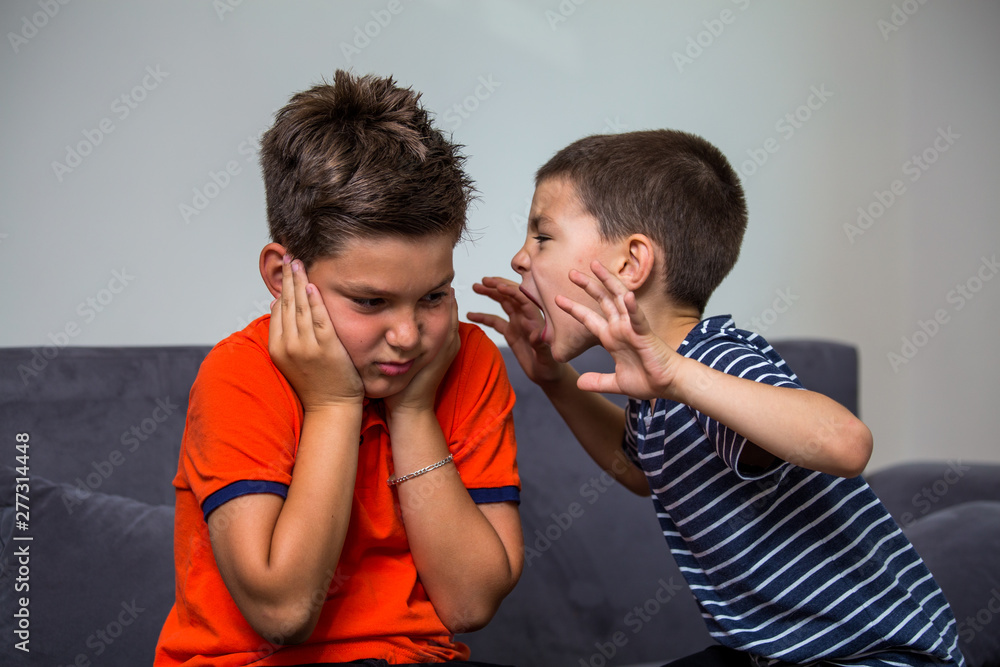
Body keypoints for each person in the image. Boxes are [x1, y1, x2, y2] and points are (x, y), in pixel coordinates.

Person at [469, 129, 965, 667]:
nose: (520, 258)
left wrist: (679, 377)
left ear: (630, 265)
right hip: (769, 652)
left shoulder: (714, 360)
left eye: (542, 237)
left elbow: (845, 444)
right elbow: (642, 471)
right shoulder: (659, 384)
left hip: (874, 656)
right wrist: (554, 380)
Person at [154, 71, 523, 667]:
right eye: (371, 302)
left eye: (433, 296)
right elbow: (283, 613)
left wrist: (413, 410)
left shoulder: (465, 357)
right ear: (282, 276)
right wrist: (332, 405)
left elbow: (469, 604)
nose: (407, 337)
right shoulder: (239, 374)